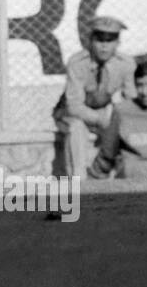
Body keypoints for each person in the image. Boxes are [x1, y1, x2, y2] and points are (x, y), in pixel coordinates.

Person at [52, 15, 136, 178]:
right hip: (72, 114)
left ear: (118, 43)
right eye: (100, 40)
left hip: (103, 112)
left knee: (125, 126)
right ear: (90, 40)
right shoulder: (77, 62)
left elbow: (131, 99)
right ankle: (79, 181)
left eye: (110, 40)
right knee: (76, 129)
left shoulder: (125, 64)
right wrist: (101, 119)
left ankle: (122, 176)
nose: (104, 47)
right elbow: (74, 106)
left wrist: (116, 119)